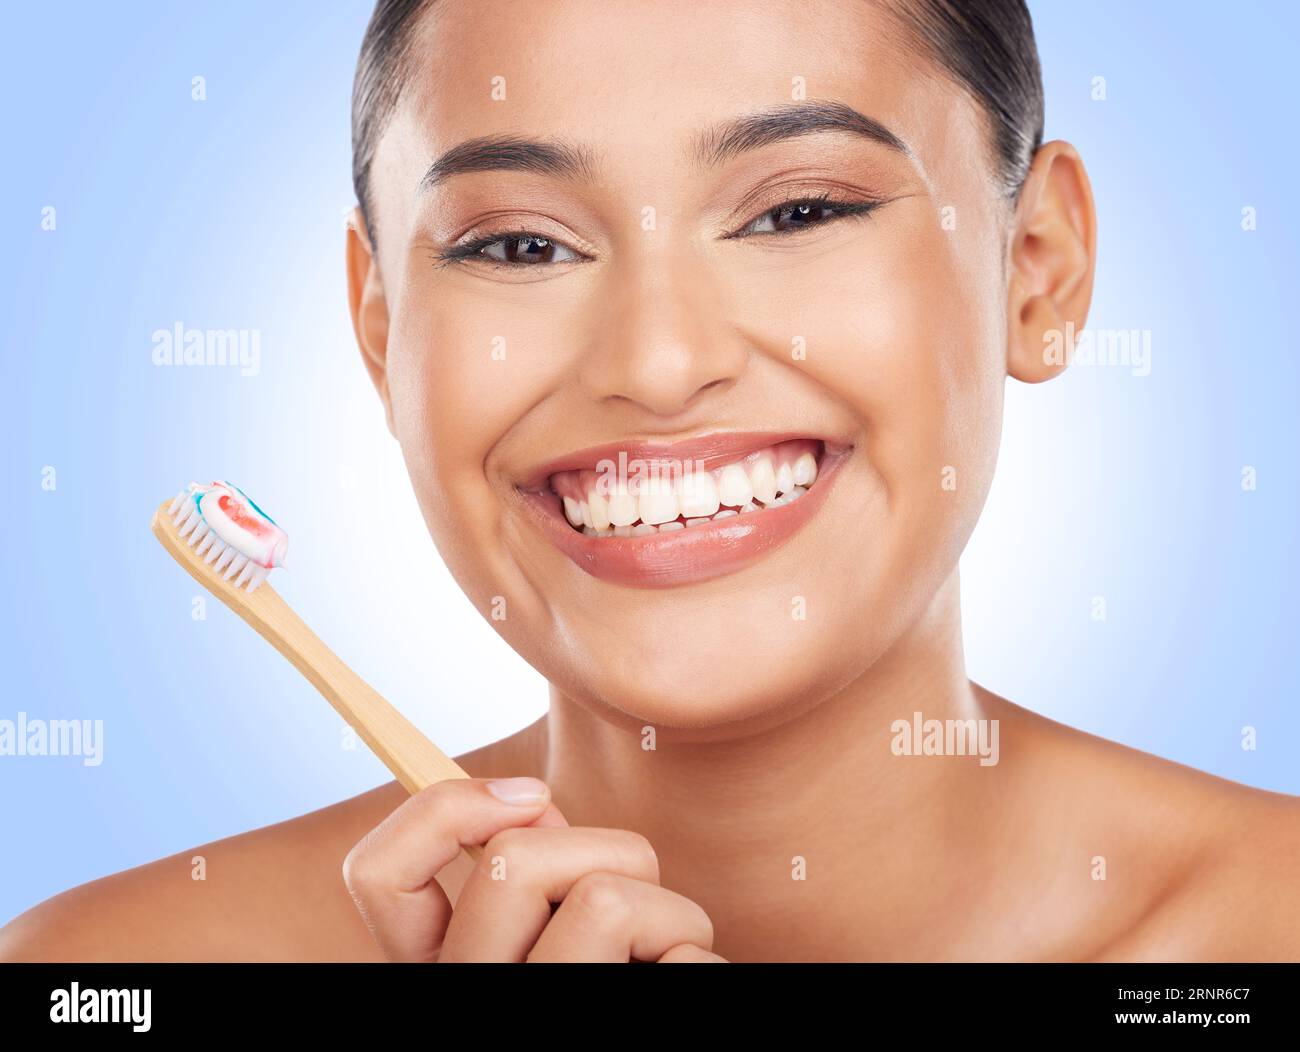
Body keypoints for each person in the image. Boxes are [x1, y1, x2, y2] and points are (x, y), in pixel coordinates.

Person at [4, 0, 1298, 963]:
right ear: (382, 325)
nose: (659, 362)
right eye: (520, 242)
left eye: (797, 213)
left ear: (1037, 270)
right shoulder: (113, 971)